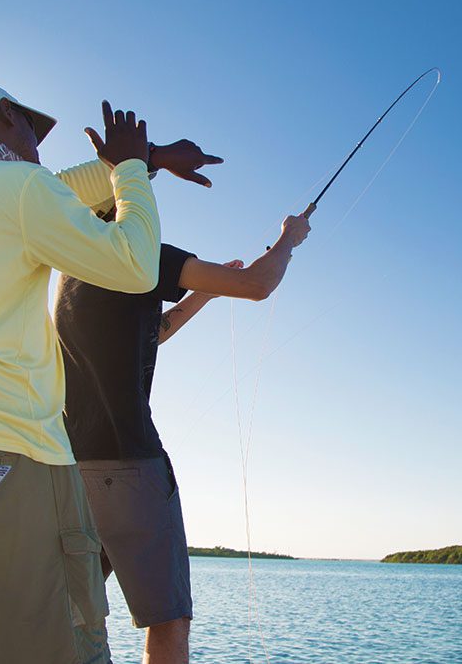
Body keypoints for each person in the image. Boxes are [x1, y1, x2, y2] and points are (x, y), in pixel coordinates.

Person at [0, 79, 206, 664]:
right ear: (5, 115)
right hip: (0, 452)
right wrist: (131, 168)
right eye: (33, 128)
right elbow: (133, 263)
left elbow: (52, 190)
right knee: (61, 647)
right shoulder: (21, 190)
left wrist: (150, 160)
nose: (39, 144)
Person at [53, 200, 313, 664]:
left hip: (72, 468)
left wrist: (206, 294)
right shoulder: (140, 249)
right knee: (168, 619)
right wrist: (288, 239)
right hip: (131, 463)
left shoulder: (72, 270)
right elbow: (257, 284)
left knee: (76, 612)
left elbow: (156, 330)